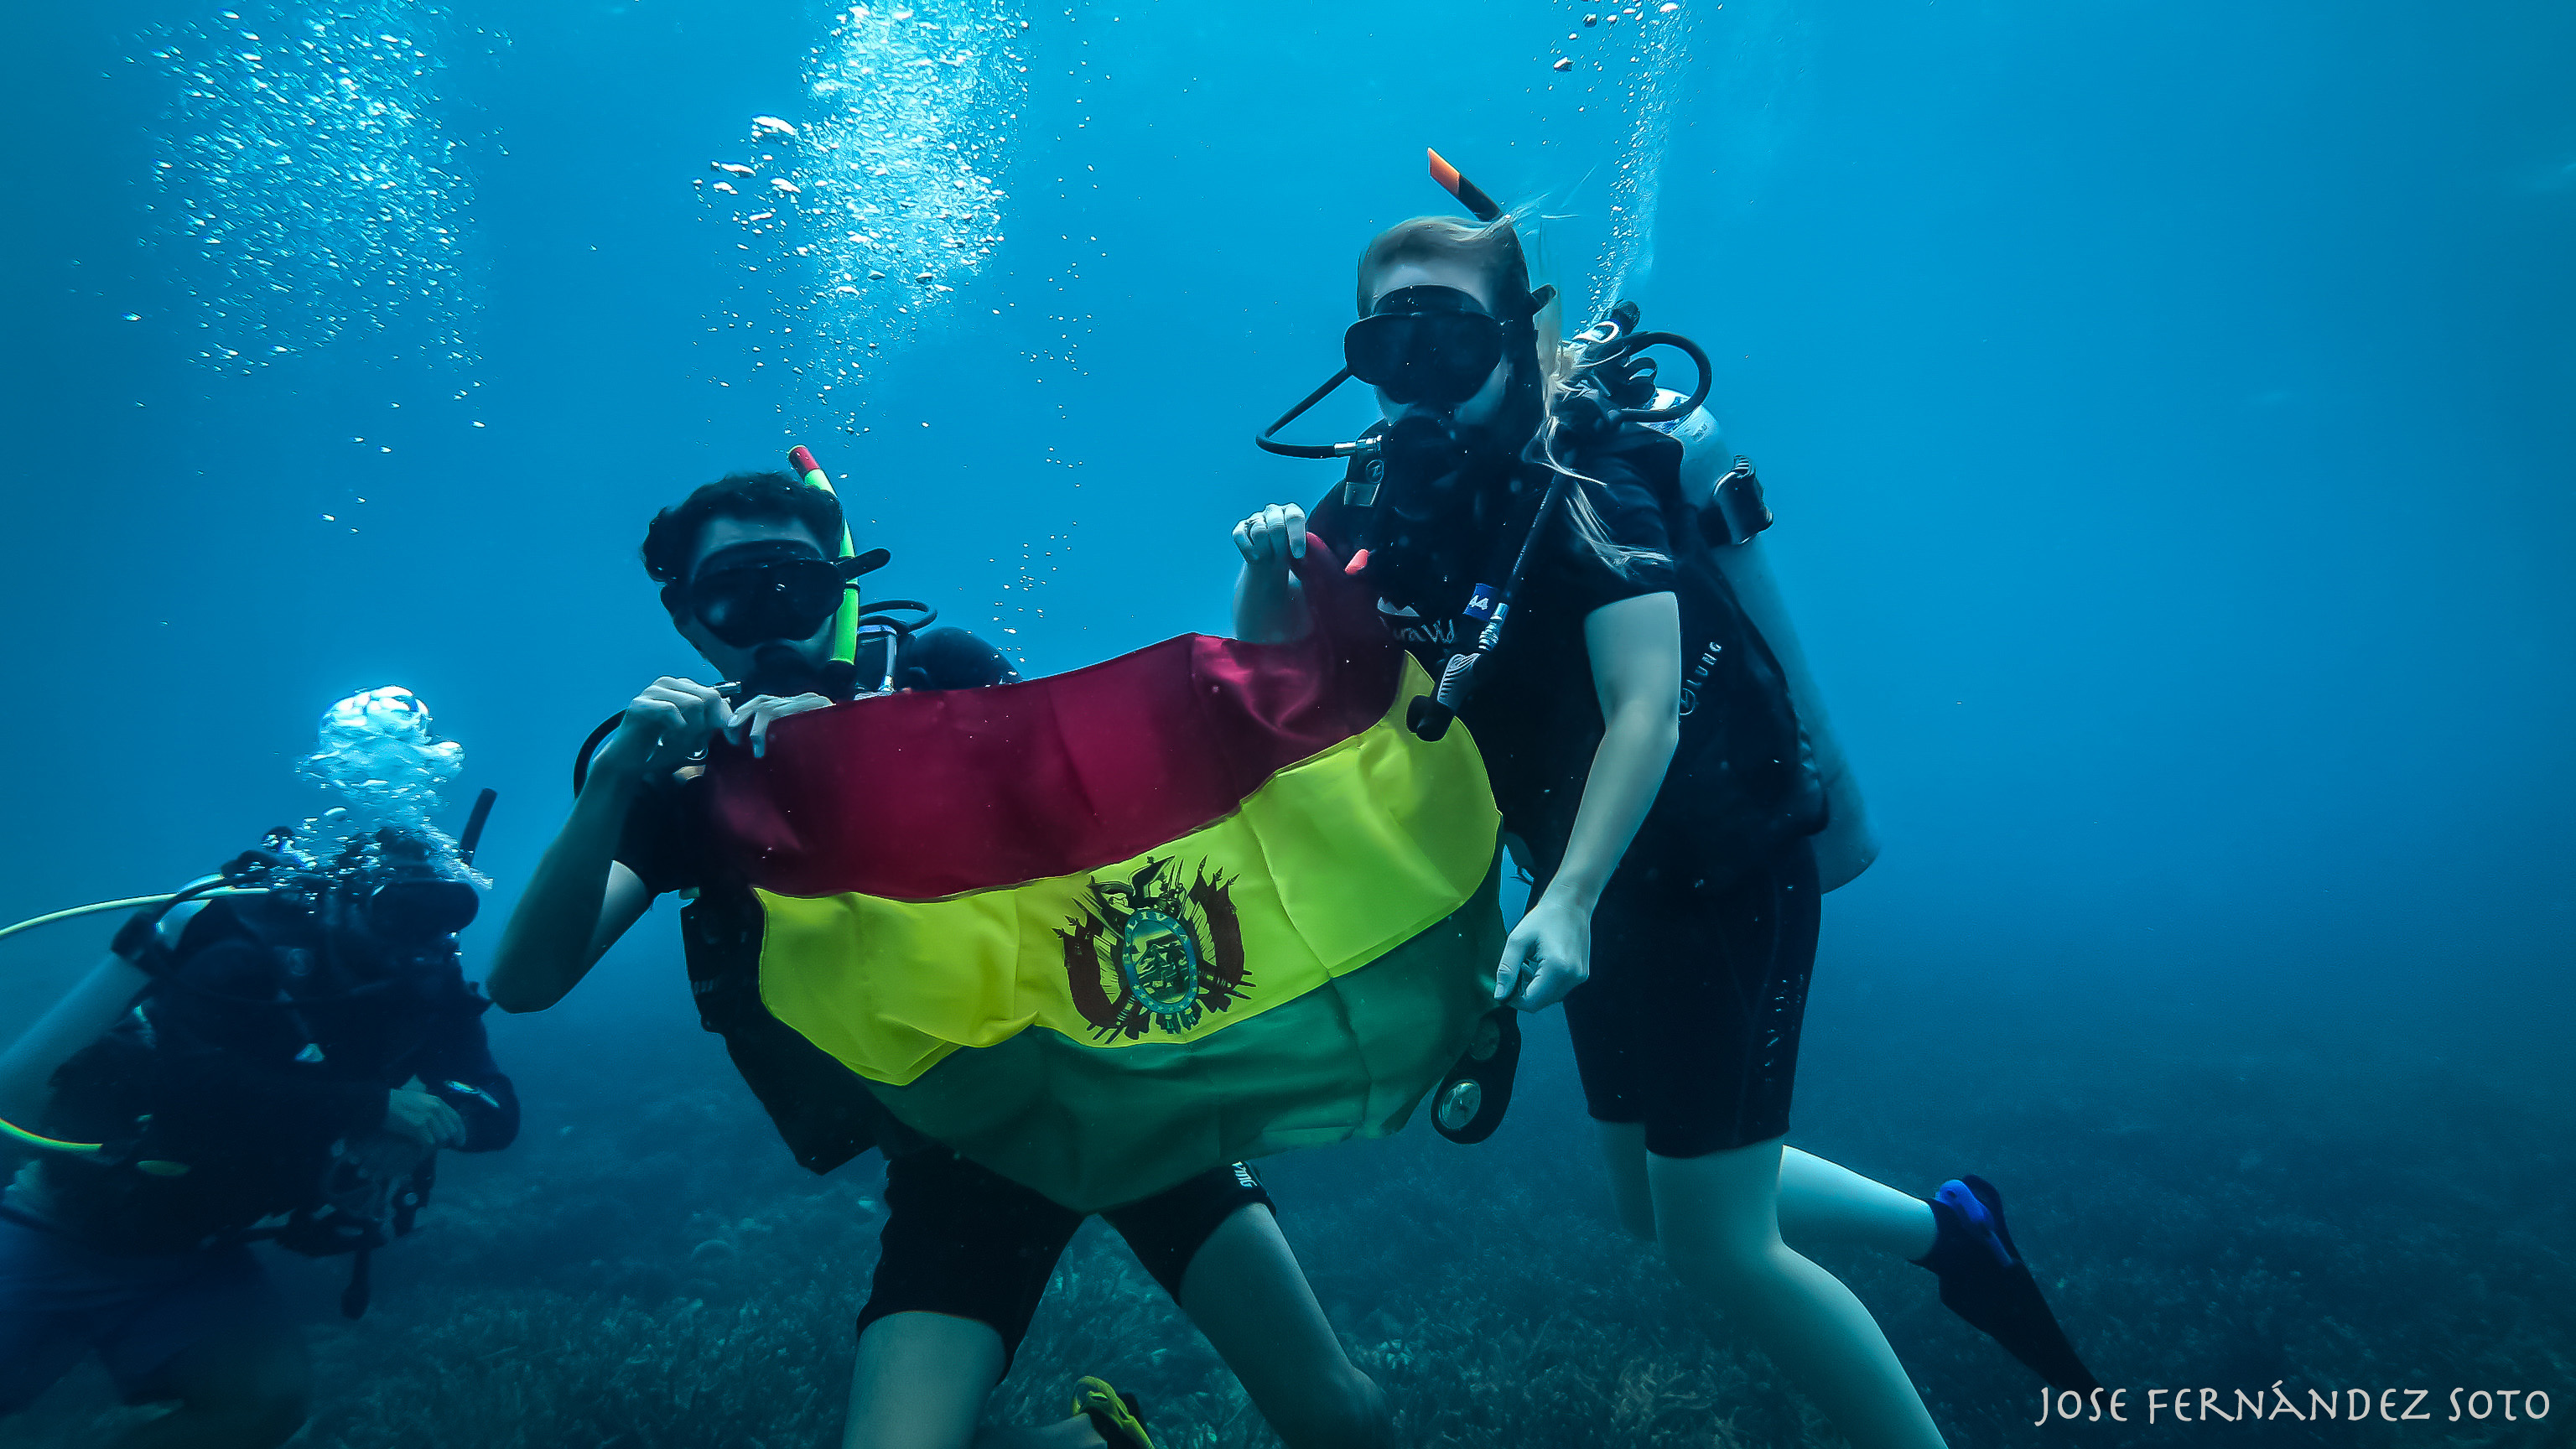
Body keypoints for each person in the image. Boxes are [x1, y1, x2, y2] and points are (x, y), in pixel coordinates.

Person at [1231, 173, 2097, 1449]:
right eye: (1385, 346)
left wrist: (1570, 899)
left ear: (1515, 338)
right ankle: (1952, 1232)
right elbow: (1283, 679)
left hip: (1714, 868)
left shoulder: (1584, 482)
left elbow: (1647, 706)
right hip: (1595, 890)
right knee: (1657, 1204)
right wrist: (1267, 572)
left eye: (1449, 342)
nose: (1416, 380)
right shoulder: (1375, 500)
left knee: (1718, 1245)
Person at [487, 466, 1391, 1449]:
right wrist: (613, 780)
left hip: (1118, 1093)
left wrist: (875, 750)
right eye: (733, 597)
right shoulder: (681, 782)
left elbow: (1083, 820)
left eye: (796, 585)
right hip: (953, 1154)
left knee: (1336, 1417)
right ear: (688, 622)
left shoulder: (940, 673)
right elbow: (526, 982)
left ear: (841, 588)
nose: (771, 621)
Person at [0, 692, 519, 1449]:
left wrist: (434, 1125)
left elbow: (498, 1107)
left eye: (444, 913)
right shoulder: (253, 948)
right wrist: (372, 1106)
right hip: (68, 1221)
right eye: (400, 912)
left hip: (195, 1251)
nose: (420, 936)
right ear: (349, 899)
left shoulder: (426, 981)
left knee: (265, 1403)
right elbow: (190, 1086)